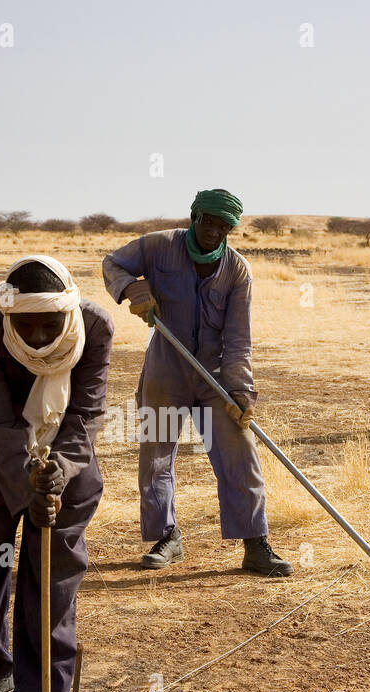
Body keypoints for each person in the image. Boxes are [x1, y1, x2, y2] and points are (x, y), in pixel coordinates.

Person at [0, 256, 113, 692]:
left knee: (52, 573)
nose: (39, 336)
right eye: (26, 325)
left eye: (50, 324)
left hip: (66, 453)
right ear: (6, 318)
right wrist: (29, 482)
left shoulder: (96, 327)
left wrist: (56, 478)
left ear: (69, 312)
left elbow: (85, 413)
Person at [102, 189, 293, 577]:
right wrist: (132, 289)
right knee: (155, 455)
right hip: (164, 370)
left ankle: (255, 544)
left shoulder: (237, 270)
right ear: (194, 217)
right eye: (209, 221)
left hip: (217, 375)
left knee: (240, 454)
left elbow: (239, 339)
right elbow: (112, 264)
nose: (215, 231)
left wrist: (241, 392)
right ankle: (166, 536)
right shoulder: (158, 246)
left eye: (224, 225)